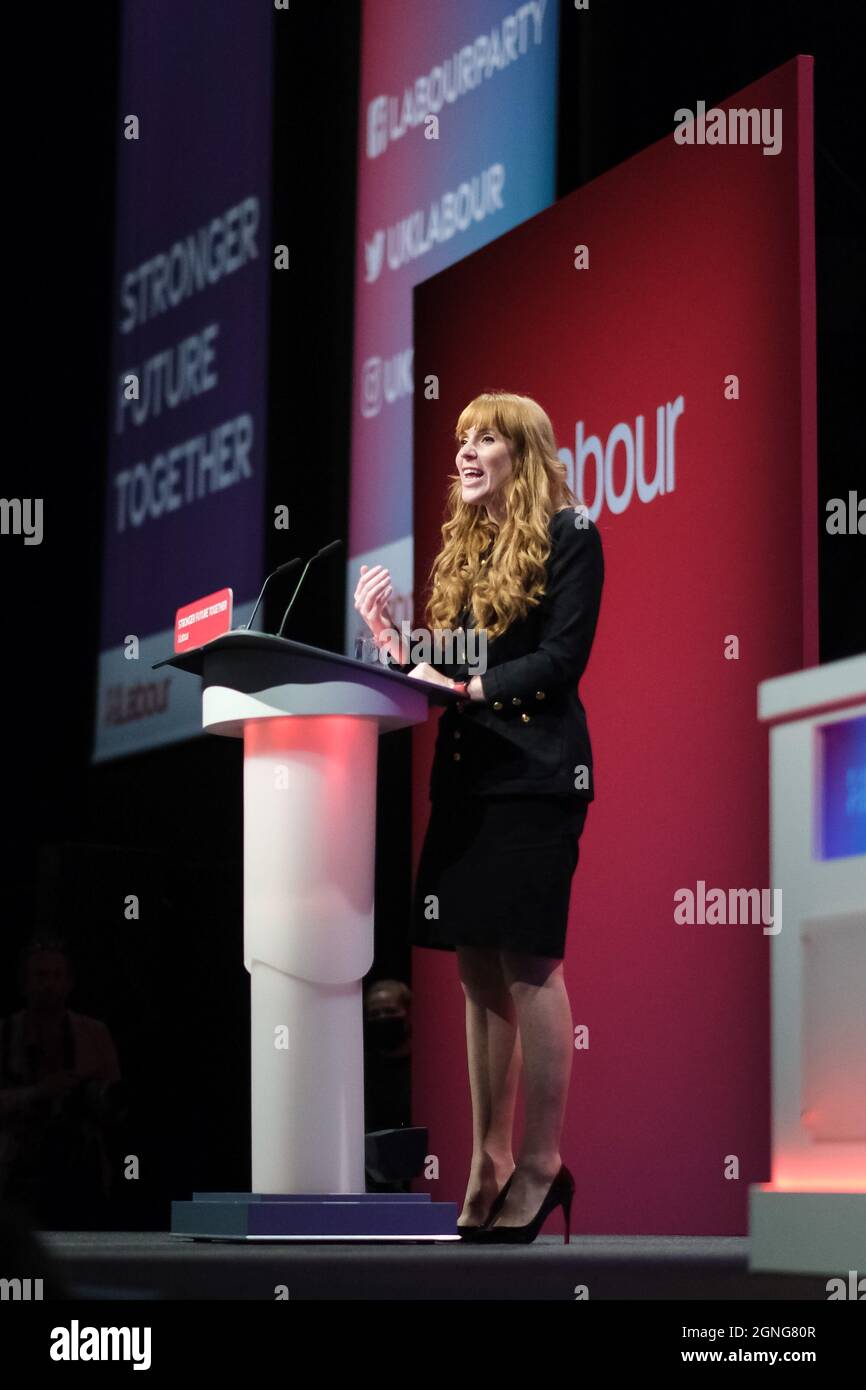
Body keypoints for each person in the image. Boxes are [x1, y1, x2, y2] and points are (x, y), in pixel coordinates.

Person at [354, 390, 604, 1243]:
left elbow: (559, 658)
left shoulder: (572, 535)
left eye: (485, 438)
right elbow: (451, 666)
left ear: (523, 454)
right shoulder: (469, 551)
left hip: (535, 779)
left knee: (531, 968)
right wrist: (395, 646)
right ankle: (487, 1160)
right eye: (460, 438)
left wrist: (462, 687)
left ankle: (542, 1163)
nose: (464, 452)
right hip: (467, 783)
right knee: (475, 976)